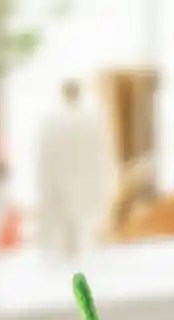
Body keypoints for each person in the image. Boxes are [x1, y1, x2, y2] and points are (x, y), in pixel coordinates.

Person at [34, 79, 115, 260]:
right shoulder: (58, 120)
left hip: (76, 181)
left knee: (79, 229)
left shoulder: (83, 119)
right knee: (71, 229)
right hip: (70, 182)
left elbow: (100, 152)